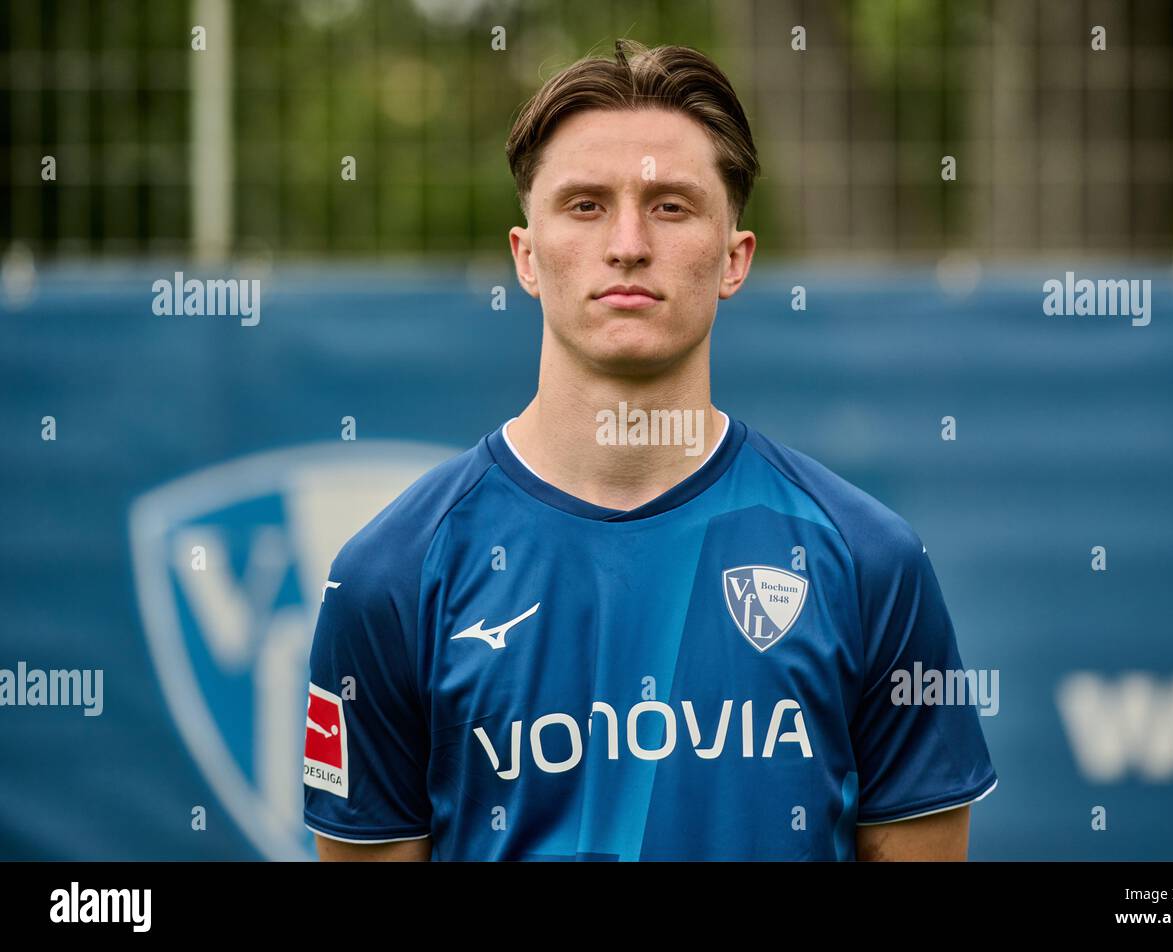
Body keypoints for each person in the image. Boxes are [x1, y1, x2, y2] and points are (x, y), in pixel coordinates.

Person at [303, 38, 996, 861]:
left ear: (735, 259)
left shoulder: (871, 560)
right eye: (586, 205)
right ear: (526, 257)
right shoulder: (389, 576)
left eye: (670, 205)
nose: (628, 243)